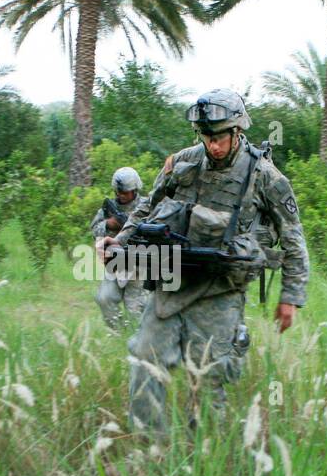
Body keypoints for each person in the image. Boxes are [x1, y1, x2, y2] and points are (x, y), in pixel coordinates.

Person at [101, 89, 310, 434]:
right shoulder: (183, 162)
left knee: (209, 379)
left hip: (221, 291)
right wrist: (119, 242)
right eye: (207, 137)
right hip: (172, 281)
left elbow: (293, 238)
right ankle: (149, 448)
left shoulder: (265, 176)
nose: (213, 146)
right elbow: (147, 207)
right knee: (144, 359)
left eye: (220, 137)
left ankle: (205, 459)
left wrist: (290, 297)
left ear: (238, 131)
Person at [91, 167, 149, 331]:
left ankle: (136, 340)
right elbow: (94, 229)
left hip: (139, 266)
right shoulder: (109, 209)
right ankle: (118, 333)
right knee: (104, 298)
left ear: (135, 189)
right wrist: (109, 224)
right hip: (115, 265)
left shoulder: (147, 206)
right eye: (118, 192)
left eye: (125, 192)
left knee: (135, 309)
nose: (121, 195)